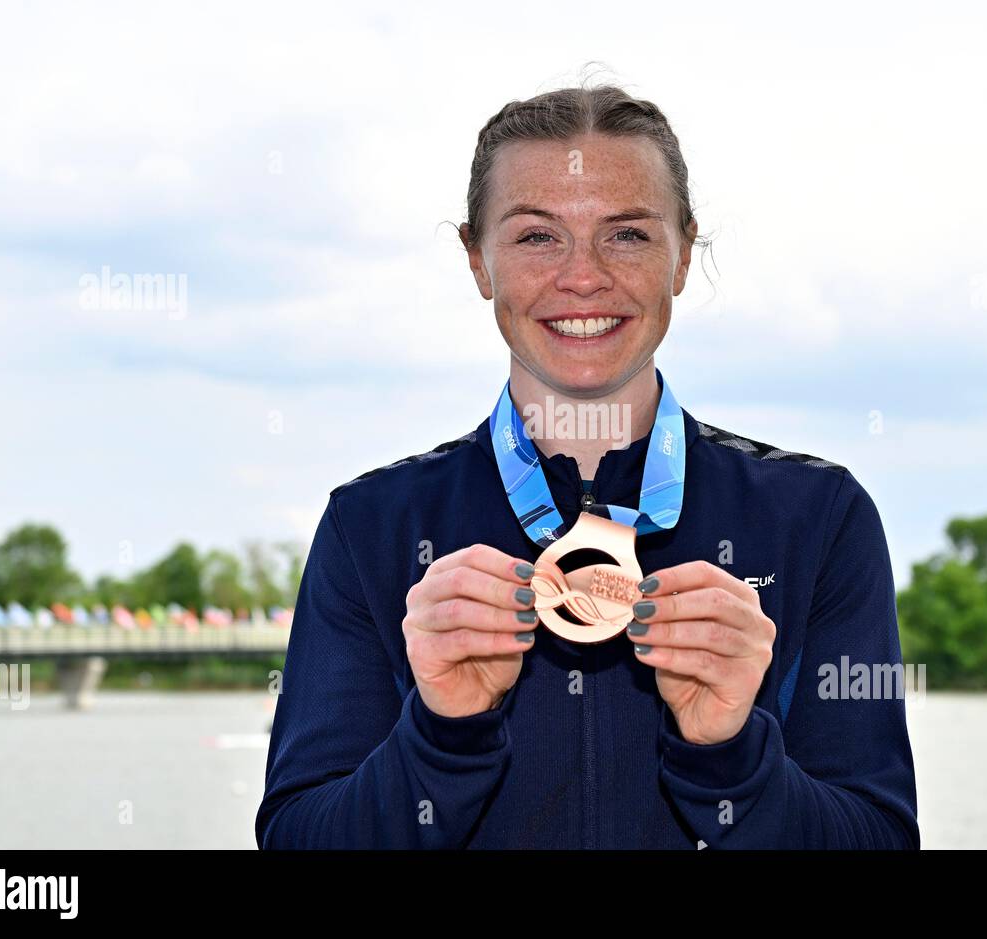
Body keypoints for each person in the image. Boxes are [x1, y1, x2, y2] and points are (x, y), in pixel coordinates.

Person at [255, 83, 919, 849]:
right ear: (478, 261)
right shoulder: (370, 525)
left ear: (682, 255)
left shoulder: (820, 515)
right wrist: (441, 734)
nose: (583, 277)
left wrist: (732, 754)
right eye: (538, 237)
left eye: (628, 235)